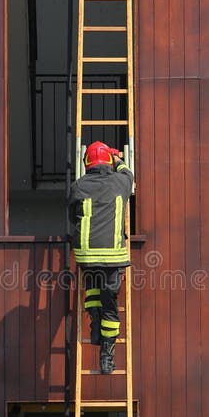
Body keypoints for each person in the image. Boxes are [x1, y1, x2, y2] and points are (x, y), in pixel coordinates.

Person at [69, 141, 134, 374]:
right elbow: (128, 172)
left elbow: (72, 216)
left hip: (86, 255)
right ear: (108, 161)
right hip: (113, 256)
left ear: (86, 162)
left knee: (92, 288)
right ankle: (107, 356)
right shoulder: (121, 182)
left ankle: (95, 326)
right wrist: (118, 158)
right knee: (110, 305)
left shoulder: (78, 186)